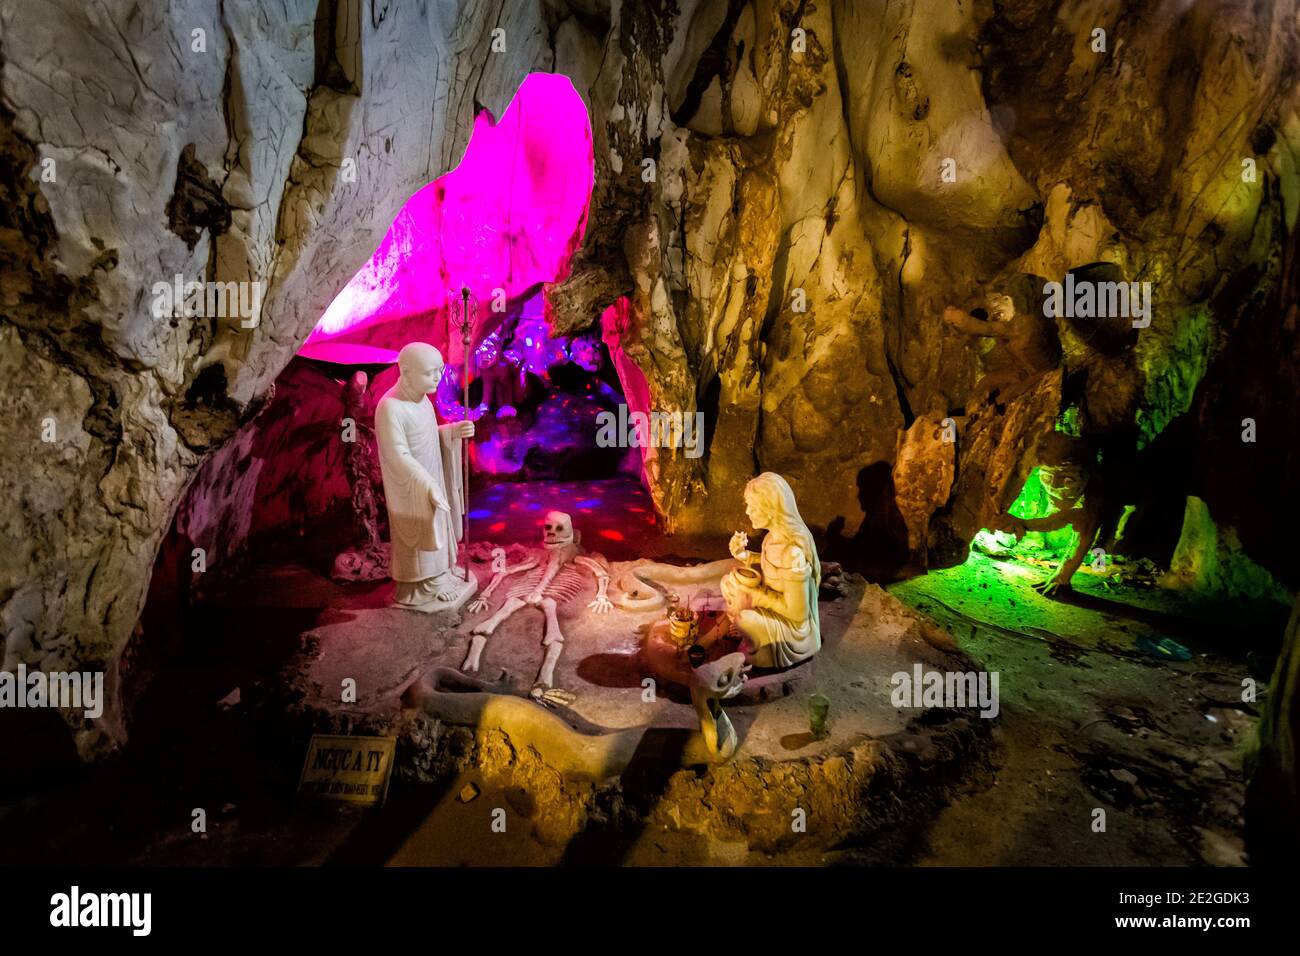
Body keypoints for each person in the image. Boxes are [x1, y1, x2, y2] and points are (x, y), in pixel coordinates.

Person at [375, 342, 476, 608]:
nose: (436, 378)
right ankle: (422, 585)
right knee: (420, 528)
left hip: (432, 477)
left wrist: (453, 432)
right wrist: (425, 483)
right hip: (410, 486)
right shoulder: (390, 408)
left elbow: (432, 436)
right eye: (429, 372)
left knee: (438, 525)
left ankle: (441, 573)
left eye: (439, 371)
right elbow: (397, 454)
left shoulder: (423, 402)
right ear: (406, 372)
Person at [721, 473, 822, 668]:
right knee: (728, 582)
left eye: (752, 506)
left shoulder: (793, 553)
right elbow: (769, 564)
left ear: (770, 509)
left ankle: (759, 644)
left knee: (743, 618)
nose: (748, 512)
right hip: (774, 603)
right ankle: (747, 634)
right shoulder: (771, 539)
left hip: (791, 628)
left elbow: (797, 613)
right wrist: (745, 555)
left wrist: (755, 596)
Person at [941, 273, 1060, 403]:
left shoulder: (1026, 325)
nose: (994, 311)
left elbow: (986, 328)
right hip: (1029, 372)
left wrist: (961, 319)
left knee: (1002, 396)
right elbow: (988, 329)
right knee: (987, 385)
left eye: (997, 302)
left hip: (1046, 372)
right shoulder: (1011, 326)